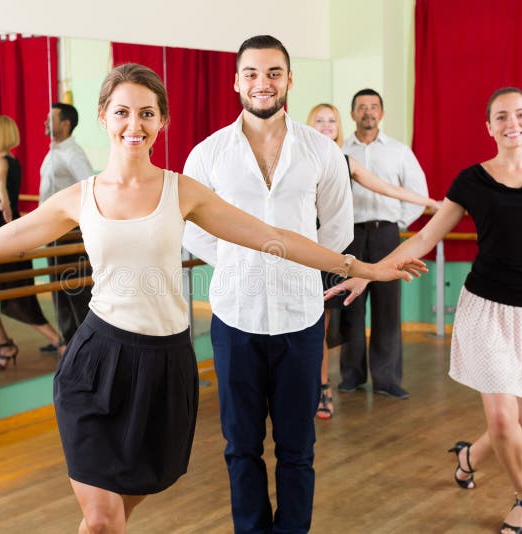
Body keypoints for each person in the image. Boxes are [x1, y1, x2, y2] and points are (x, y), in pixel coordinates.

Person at [0, 63, 425, 534]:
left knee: (126, 503)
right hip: (97, 361)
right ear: (103, 117)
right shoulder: (79, 197)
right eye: (122, 112)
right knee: (101, 519)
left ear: (162, 121)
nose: (134, 125)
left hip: (166, 364)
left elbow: (274, 239)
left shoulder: (183, 190)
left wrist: (361, 265)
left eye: (147, 113)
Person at [328, 87, 522, 533]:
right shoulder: (471, 181)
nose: (511, 123)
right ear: (489, 127)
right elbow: (423, 238)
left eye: (520, 115)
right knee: (502, 419)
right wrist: (369, 271)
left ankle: (469, 457)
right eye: (501, 116)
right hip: (487, 310)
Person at [182, 35, 354, 533]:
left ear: (289, 80)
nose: (263, 83)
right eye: (252, 74)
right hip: (235, 319)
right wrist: (239, 262)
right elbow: (195, 230)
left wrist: (294, 268)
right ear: (236, 81)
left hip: (301, 318)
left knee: (298, 449)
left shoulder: (322, 151)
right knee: (240, 447)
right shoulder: (208, 154)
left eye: (273, 73)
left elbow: (338, 231)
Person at [306, 103, 438, 419]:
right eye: (319, 121)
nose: (325, 126)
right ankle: (310, 384)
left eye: (331, 121)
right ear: (309, 124)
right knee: (308, 325)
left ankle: (324, 388)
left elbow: (389, 188)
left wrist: (431, 202)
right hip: (301, 249)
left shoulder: (345, 160)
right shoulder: (295, 155)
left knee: (320, 326)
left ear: (338, 127)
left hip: (332, 250)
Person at [334, 89, 431, 401]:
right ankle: (351, 375)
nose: (368, 112)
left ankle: (387, 378)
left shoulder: (399, 151)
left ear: (382, 113)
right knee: (351, 306)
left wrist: (397, 223)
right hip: (349, 235)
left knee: (388, 307)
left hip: (387, 235)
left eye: (373, 106)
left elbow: (417, 192)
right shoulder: (339, 150)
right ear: (352, 114)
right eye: (361, 107)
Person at [0, 114, 62, 371]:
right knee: (9, 294)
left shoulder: (2, 162)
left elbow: (2, 189)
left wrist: (5, 207)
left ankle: (50, 344)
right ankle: (51, 344)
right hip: (5, 229)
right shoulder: (11, 160)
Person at [40, 102, 94, 348]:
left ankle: (85, 340)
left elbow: (89, 185)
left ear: (65, 124)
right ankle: (67, 338)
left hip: (69, 231)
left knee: (75, 288)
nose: (45, 122)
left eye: (50, 119)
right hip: (53, 229)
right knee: (58, 287)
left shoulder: (73, 153)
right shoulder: (54, 150)